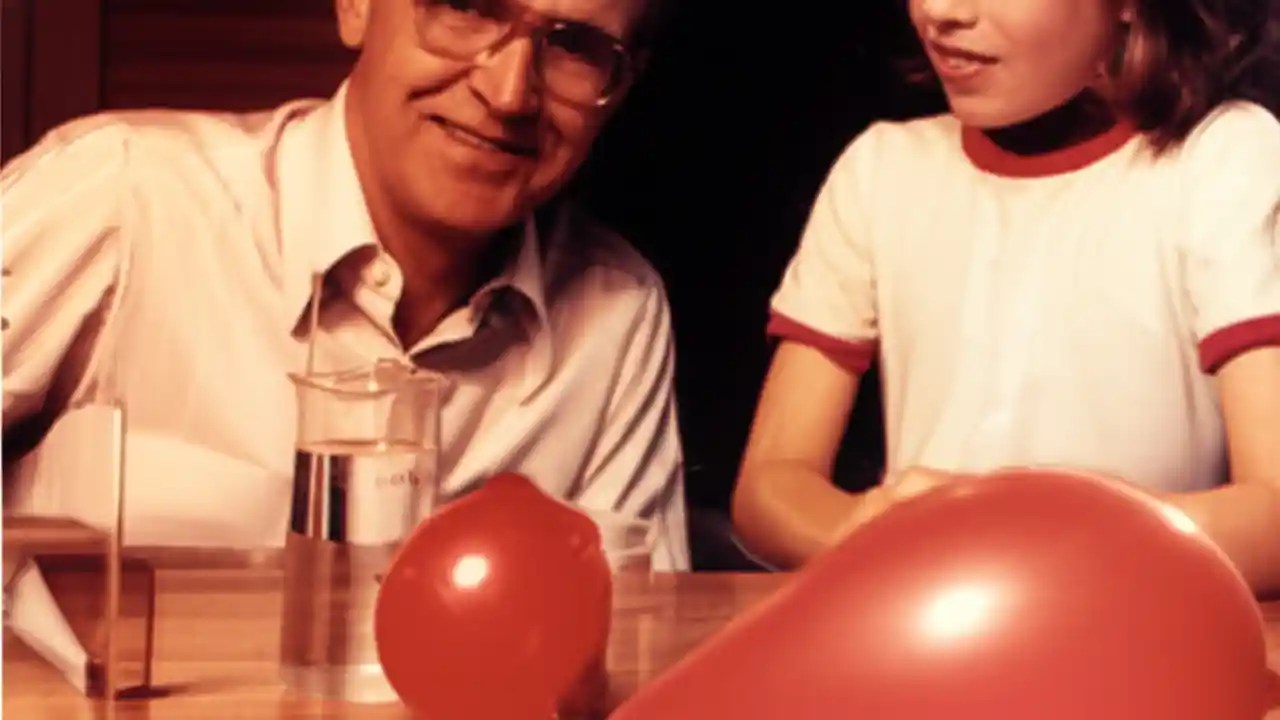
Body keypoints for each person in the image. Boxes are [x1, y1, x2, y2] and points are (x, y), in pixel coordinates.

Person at [2, 0, 689, 571]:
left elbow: (636, 654)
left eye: (574, 47)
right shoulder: (122, 196)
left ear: (622, 86)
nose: (509, 92)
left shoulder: (617, 313)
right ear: (357, 6)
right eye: (468, 8)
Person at [733, 0, 1280, 595]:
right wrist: (869, 530)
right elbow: (769, 487)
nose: (940, 12)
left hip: (1127, 639)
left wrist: (1021, 535)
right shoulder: (884, 169)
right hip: (917, 631)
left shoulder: (1223, 159)